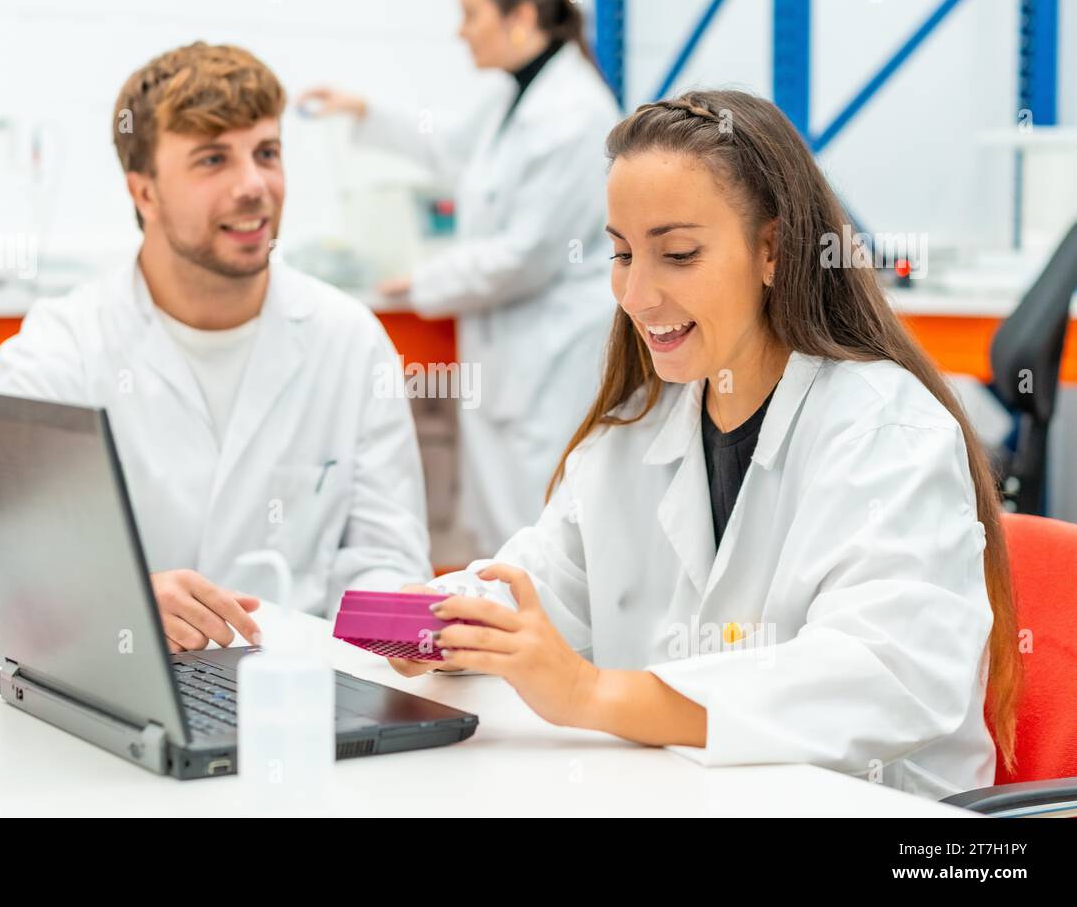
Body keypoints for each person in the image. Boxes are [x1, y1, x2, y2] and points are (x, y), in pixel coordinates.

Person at [389, 90, 1022, 800]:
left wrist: (594, 693)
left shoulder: (885, 434)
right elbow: (540, 586)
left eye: (678, 254)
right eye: (623, 253)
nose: (636, 294)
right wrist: (430, 622)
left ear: (773, 251)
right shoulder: (633, 433)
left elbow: (885, 674)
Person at [0, 42, 432, 649]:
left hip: (302, 691)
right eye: (212, 160)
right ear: (144, 193)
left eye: (266, 153)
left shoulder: (350, 340)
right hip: (127, 681)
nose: (253, 185)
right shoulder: (61, 348)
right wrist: (121, 598)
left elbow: (389, 561)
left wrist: (394, 634)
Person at [299, 0, 620, 555]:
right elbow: (453, 149)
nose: (461, 30)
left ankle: (542, 647)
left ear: (519, 16)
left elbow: (528, 256)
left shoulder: (574, 116)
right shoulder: (514, 98)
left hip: (552, 354)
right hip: (512, 352)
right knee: (508, 530)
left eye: (471, 14)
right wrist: (365, 111)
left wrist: (421, 281)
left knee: (543, 534)